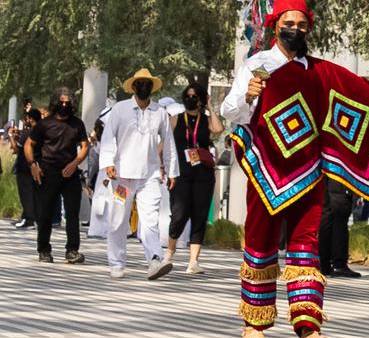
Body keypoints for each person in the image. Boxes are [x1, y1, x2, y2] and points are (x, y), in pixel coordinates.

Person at [219, 0, 369, 338]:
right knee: (261, 239)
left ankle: (307, 325)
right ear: (275, 25)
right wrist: (249, 94)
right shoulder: (257, 64)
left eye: (302, 25)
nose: (296, 30)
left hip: (309, 170)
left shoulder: (320, 72)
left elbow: (360, 97)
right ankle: (255, 321)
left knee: (306, 245)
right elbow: (229, 113)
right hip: (266, 168)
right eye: (289, 24)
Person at [92, 69, 178, 276]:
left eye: (147, 83)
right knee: (118, 219)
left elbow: (168, 144)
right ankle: (117, 263)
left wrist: (172, 170)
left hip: (149, 175)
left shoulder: (159, 113)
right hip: (122, 175)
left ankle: (155, 260)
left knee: (150, 219)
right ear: (133, 86)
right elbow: (108, 138)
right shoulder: (120, 109)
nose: (143, 87)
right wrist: (107, 163)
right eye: (140, 83)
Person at [19, 86, 87, 264]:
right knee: (45, 213)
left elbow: (85, 146)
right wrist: (33, 165)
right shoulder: (44, 124)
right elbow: (28, 145)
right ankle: (44, 250)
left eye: (68, 102)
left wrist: (75, 163)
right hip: (47, 172)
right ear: (55, 103)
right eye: (61, 102)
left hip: (70, 173)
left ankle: (72, 250)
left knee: (72, 213)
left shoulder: (77, 124)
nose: (64, 105)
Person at [169, 76, 220, 272]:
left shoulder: (206, 120)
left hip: (203, 174)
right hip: (181, 172)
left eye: (194, 96)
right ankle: (170, 252)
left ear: (200, 100)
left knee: (199, 215)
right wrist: (162, 167)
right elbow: (164, 145)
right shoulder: (175, 120)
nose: (190, 99)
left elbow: (218, 129)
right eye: (188, 96)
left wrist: (210, 107)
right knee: (179, 214)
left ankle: (193, 262)